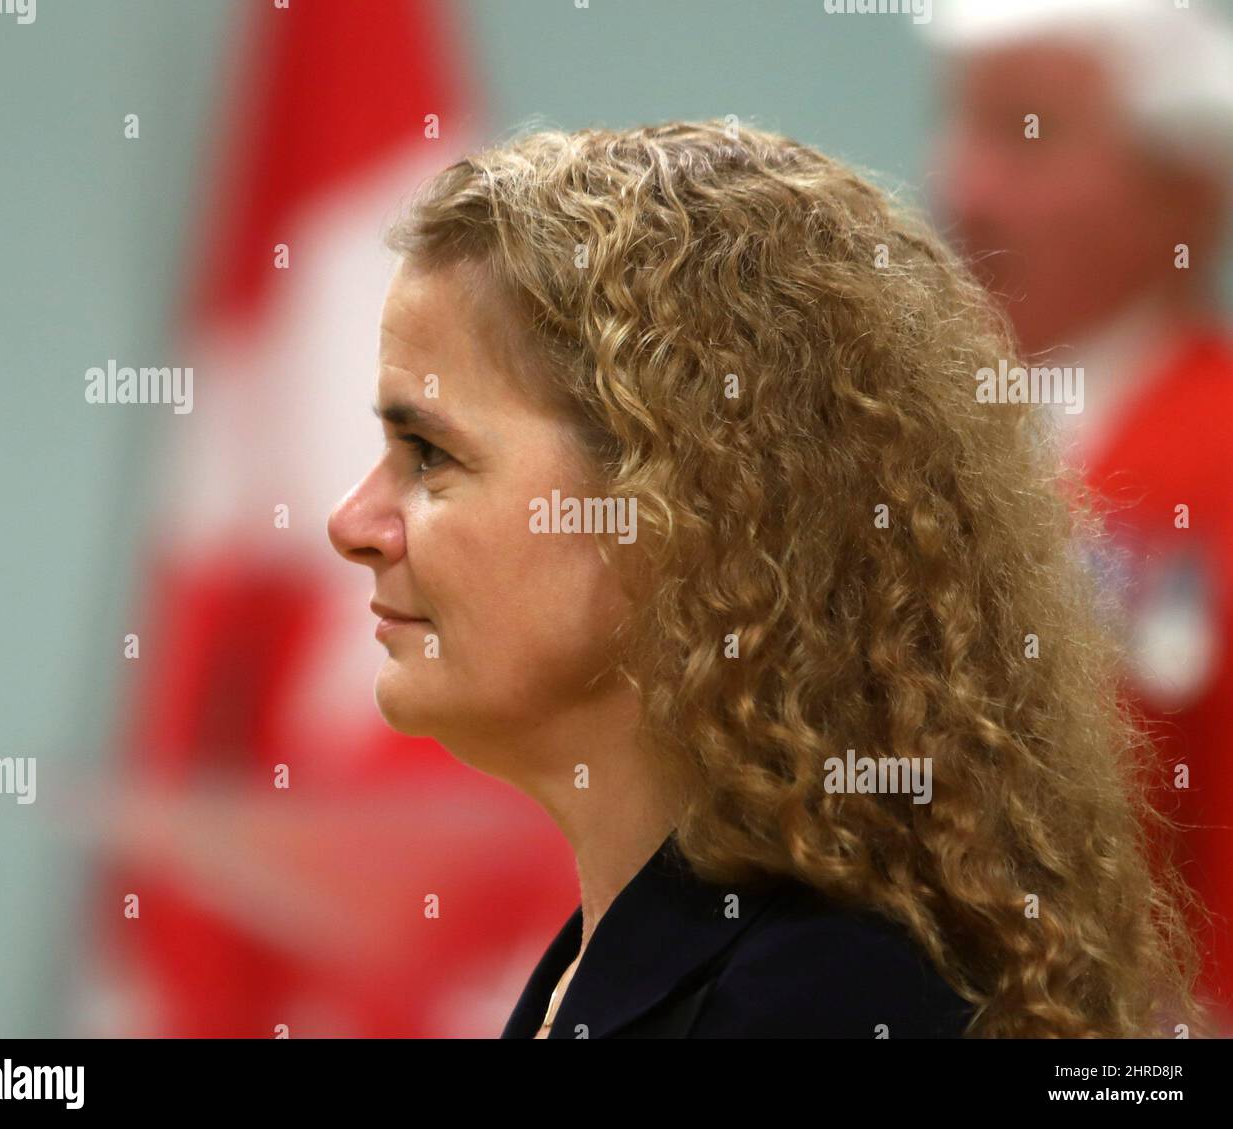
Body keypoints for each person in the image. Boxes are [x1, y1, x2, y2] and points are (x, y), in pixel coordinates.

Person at [328, 120, 1209, 1037]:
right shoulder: (627, 957)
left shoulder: (822, 996)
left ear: (672, 507)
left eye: (429, 453)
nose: (351, 523)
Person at [924, 0, 1233, 1029]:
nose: (964, 189)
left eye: (1027, 136)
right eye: (959, 128)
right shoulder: (903, 445)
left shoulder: (1213, 458)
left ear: (1185, 188)